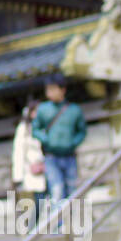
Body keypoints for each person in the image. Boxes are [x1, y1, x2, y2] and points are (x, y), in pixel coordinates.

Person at [32, 73, 87, 209]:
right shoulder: (43, 109)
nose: (49, 92)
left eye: (53, 89)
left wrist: (73, 142)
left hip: (70, 155)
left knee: (72, 191)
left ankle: (73, 226)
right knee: (56, 191)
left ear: (63, 90)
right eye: (48, 89)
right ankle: (59, 227)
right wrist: (47, 140)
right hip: (51, 157)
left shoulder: (74, 110)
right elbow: (35, 129)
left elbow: (82, 131)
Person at [12, 101, 48, 226]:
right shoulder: (24, 129)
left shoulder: (47, 125)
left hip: (49, 167)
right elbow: (19, 153)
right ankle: (32, 228)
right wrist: (18, 177)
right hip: (31, 171)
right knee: (37, 202)